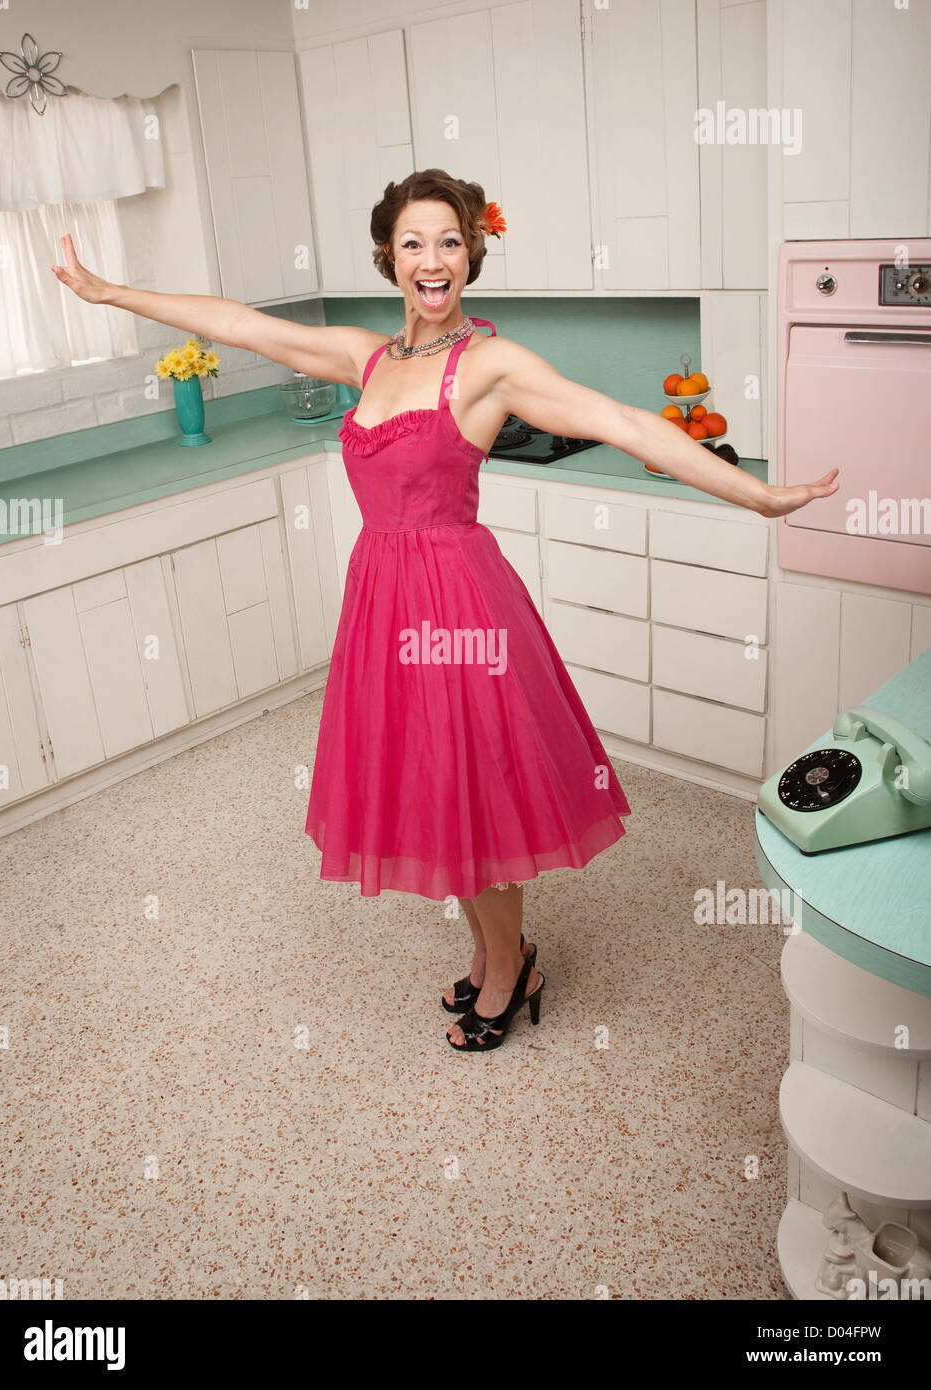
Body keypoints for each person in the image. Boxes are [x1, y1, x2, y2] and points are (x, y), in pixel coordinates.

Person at [50, 168, 839, 1054]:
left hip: (457, 604)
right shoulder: (367, 358)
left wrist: (756, 496)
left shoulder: (488, 364)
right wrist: (111, 291)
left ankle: (509, 971)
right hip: (383, 600)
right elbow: (237, 323)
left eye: (450, 242)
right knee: (436, 792)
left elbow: (622, 420)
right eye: (415, 243)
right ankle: (492, 949)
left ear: (472, 254)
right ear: (389, 257)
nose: (434, 261)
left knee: (475, 797)